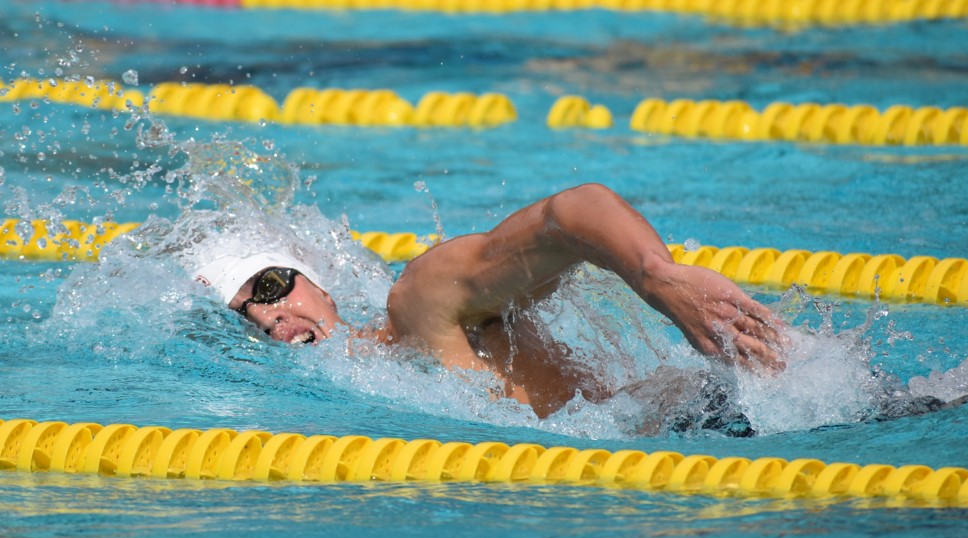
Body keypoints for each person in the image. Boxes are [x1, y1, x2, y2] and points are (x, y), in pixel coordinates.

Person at [195, 183, 785, 419]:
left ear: (320, 284)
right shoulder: (361, 390)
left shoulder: (418, 305)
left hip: (719, 417)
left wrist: (657, 277)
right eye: (244, 313)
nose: (268, 314)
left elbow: (572, 212)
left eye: (270, 285)